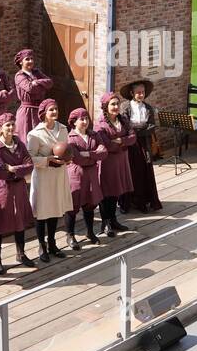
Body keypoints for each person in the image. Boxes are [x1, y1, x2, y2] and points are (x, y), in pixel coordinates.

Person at [26, 98, 74, 261]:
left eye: (56, 109)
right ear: (44, 113)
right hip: (43, 176)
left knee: (54, 209)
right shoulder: (34, 134)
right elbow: (30, 158)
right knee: (42, 211)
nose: (54, 112)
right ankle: (42, 245)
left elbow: (67, 150)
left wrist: (67, 159)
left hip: (59, 175)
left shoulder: (63, 129)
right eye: (51, 110)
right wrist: (48, 160)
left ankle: (52, 243)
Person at [0, 113, 35, 270]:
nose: (11, 127)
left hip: (19, 188)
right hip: (3, 189)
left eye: (13, 124)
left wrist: (13, 168)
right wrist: (17, 170)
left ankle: (20, 253)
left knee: (19, 220)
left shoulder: (19, 144)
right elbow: (0, 172)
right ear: (0, 129)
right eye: (7, 125)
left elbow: (30, 165)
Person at [65, 108, 106, 249]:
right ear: (74, 122)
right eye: (81, 119)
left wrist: (87, 154)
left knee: (90, 204)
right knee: (73, 205)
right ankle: (70, 235)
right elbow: (76, 158)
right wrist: (94, 154)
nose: (85, 121)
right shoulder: (70, 138)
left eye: (86, 118)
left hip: (91, 174)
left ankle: (90, 232)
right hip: (76, 174)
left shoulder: (94, 135)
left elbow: (104, 153)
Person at [94, 93, 135, 237]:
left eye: (117, 104)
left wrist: (120, 140)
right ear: (105, 106)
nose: (116, 107)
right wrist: (123, 141)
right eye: (112, 104)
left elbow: (133, 137)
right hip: (108, 162)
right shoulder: (100, 124)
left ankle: (113, 219)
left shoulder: (123, 120)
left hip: (121, 160)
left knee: (116, 190)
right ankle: (105, 222)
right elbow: (107, 145)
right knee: (107, 193)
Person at [121, 80, 162, 212]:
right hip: (130, 144)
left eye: (142, 92)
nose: (141, 95)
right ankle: (128, 202)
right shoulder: (125, 107)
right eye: (138, 92)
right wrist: (139, 127)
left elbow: (151, 127)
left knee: (144, 171)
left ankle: (143, 201)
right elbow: (125, 126)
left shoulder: (148, 108)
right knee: (130, 171)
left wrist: (137, 129)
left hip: (144, 143)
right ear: (132, 93)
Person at [14, 49, 54, 139]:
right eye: (27, 59)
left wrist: (37, 82)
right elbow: (30, 88)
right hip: (26, 111)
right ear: (21, 62)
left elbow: (50, 82)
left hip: (39, 110)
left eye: (32, 59)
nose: (31, 61)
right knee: (27, 137)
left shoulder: (37, 72)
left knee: (41, 137)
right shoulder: (19, 76)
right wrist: (41, 85)